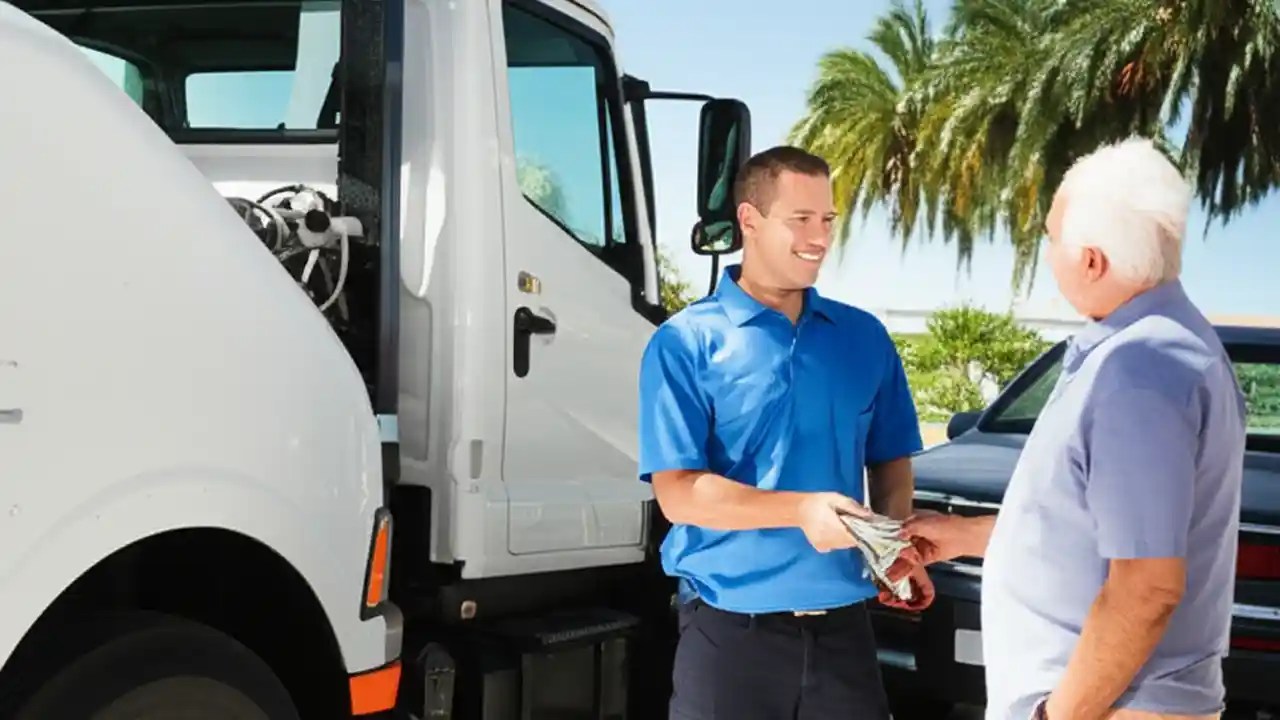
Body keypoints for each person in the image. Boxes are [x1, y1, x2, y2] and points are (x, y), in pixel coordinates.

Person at [904, 137, 1247, 720]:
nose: (1046, 252)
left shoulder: (1140, 369)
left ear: (1090, 259)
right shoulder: (1162, 349)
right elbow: (1096, 531)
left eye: (1050, 238)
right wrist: (963, 536)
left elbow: (1146, 586)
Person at [637, 145, 933, 720]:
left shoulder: (864, 337)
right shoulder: (684, 343)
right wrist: (801, 509)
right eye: (800, 220)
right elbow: (678, 494)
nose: (818, 238)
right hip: (730, 634)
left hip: (846, 635)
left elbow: (890, 458)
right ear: (749, 220)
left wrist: (893, 547)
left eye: (826, 220)